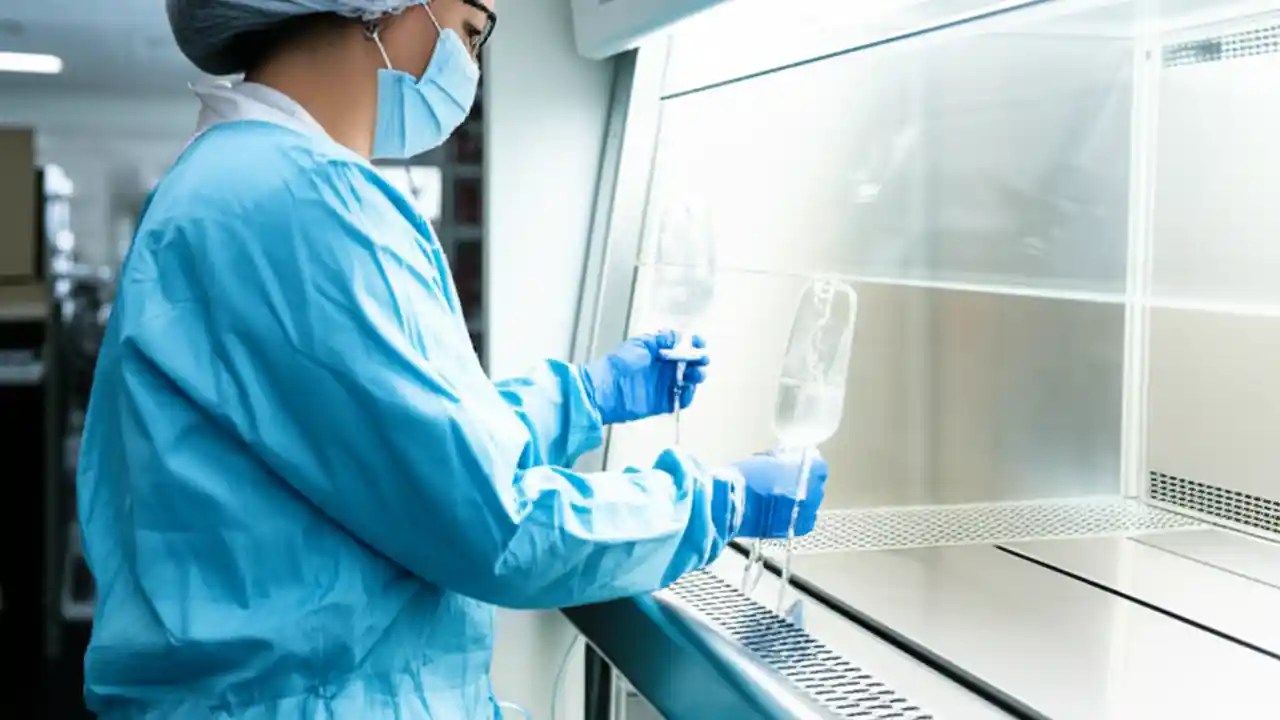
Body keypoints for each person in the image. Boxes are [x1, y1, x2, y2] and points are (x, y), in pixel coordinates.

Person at [76, 0, 830, 717]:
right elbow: (493, 524)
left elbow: (399, 443)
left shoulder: (234, 182)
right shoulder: (302, 205)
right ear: (380, 9)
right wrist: (716, 501)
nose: (468, 68)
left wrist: (590, 397)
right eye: (471, 32)